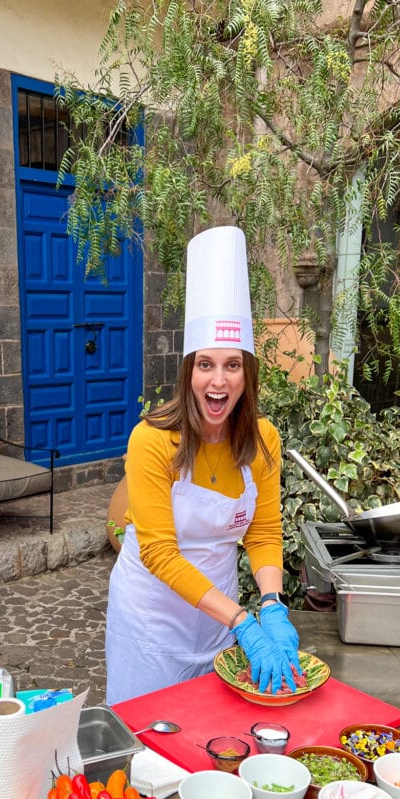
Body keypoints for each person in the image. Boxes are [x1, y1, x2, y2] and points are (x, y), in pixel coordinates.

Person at [105, 226, 300, 704]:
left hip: (217, 610)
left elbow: (264, 531)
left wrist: (271, 602)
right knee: (148, 738)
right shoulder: (152, 440)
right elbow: (159, 554)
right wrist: (241, 621)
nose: (218, 380)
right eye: (205, 364)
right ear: (188, 371)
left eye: (232, 364)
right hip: (151, 617)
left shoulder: (263, 439)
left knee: (210, 739)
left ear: (247, 373)